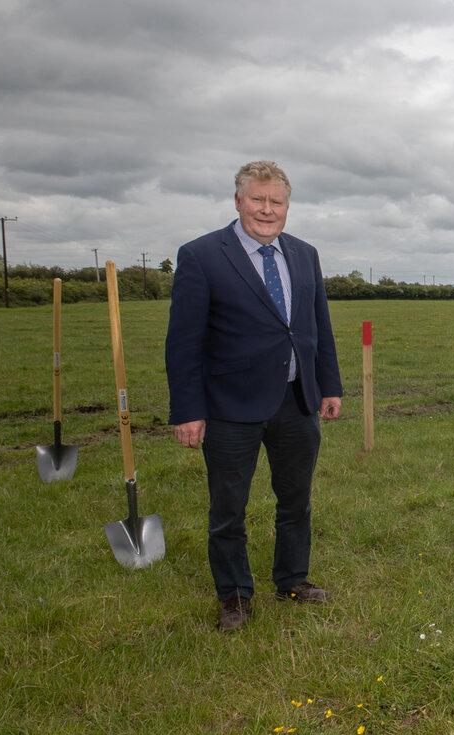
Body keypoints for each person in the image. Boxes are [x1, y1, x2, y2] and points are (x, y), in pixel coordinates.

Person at [166, 160, 342, 632]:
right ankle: (236, 597)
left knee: (296, 500)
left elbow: (317, 326)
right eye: (258, 199)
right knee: (228, 509)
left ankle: (291, 578)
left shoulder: (304, 254)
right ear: (238, 201)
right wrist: (187, 410)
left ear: (287, 206)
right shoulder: (202, 255)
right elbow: (183, 342)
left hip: (296, 400)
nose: (267, 209)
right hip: (229, 407)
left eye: (276, 202)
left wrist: (329, 385)